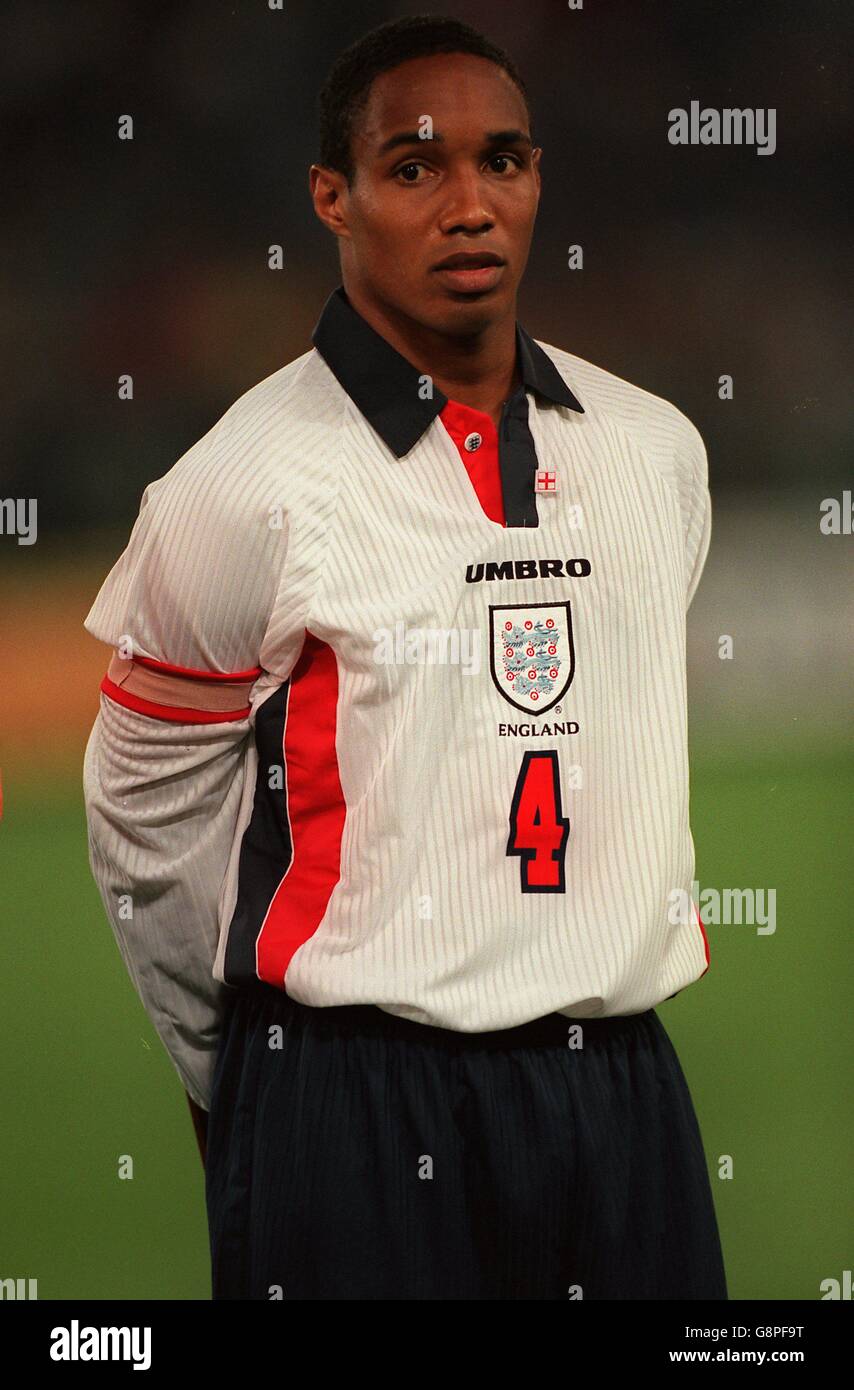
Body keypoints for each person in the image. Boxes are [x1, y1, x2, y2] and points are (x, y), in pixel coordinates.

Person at [83, 15, 726, 1300]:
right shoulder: (240, 485)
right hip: (349, 1105)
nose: (470, 206)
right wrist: (241, 1079)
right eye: (416, 167)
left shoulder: (654, 453)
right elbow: (142, 811)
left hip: (622, 1098)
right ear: (333, 194)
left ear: (540, 179)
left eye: (504, 161)